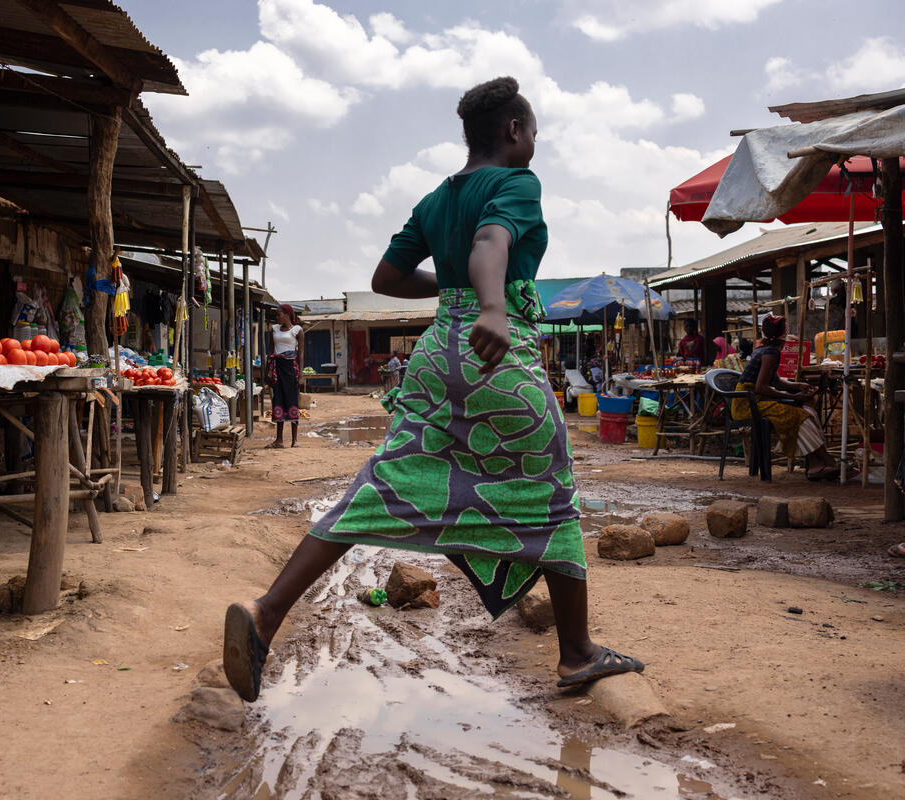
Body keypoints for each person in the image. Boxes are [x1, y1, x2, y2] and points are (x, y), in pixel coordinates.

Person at [223, 76, 643, 703]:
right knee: (553, 493)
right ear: (514, 131)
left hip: (435, 356)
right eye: (534, 131)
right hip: (493, 352)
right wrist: (492, 305)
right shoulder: (516, 184)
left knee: (383, 483)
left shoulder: (436, 198)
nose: (536, 142)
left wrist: (453, 288)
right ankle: (577, 654)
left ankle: (267, 612)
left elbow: (387, 277)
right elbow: (490, 242)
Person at [731, 315, 839, 481]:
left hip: (755, 399)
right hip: (748, 403)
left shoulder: (765, 348)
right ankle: (827, 461)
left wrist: (797, 386)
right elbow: (761, 387)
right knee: (797, 414)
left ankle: (816, 463)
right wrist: (793, 395)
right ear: (784, 333)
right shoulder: (771, 352)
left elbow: (774, 381)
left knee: (804, 409)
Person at [267, 304, 304, 448]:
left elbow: (300, 354)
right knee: (278, 400)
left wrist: (301, 374)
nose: (277, 317)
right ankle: (279, 440)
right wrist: (268, 371)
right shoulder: (274, 329)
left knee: (293, 400)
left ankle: (295, 440)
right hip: (277, 368)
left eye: (278, 314)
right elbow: (270, 352)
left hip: (291, 369)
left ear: (287, 314)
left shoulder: (297, 330)